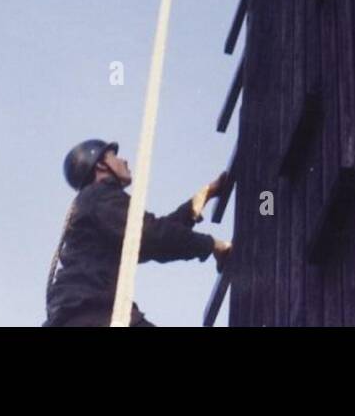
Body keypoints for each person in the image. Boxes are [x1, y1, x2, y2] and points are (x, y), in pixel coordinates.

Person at [44, 139, 231, 327]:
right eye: (114, 156)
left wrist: (198, 203)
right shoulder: (99, 196)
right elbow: (152, 236)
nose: (124, 161)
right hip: (93, 315)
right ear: (101, 164)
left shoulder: (94, 205)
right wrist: (213, 245)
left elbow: (152, 237)